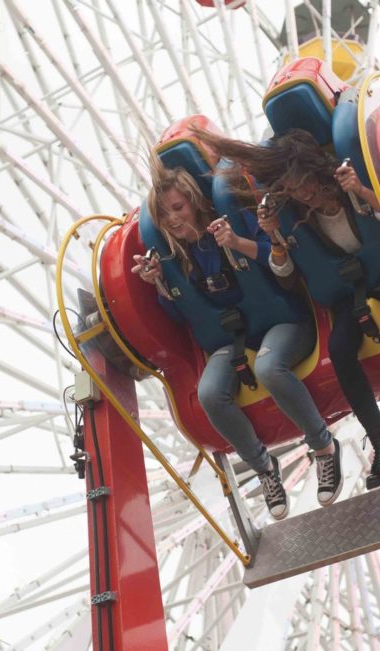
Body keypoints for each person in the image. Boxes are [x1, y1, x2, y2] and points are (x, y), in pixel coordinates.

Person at [196, 128, 380, 490]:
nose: (305, 194)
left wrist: (359, 190)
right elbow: (285, 272)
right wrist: (276, 236)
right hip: (353, 292)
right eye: (294, 189)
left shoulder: (350, 190)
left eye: (306, 184)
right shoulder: (295, 215)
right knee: (340, 349)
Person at [131, 158, 343, 519]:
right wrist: (161, 286)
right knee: (209, 394)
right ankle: (264, 470)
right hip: (232, 339)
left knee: (269, 369)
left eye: (178, 208)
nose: (173, 220)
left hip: (283, 322)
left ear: (196, 201)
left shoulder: (232, 224)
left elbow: (282, 264)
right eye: (164, 216)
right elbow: (183, 317)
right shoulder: (176, 259)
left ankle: (324, 448)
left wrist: (235, 242)